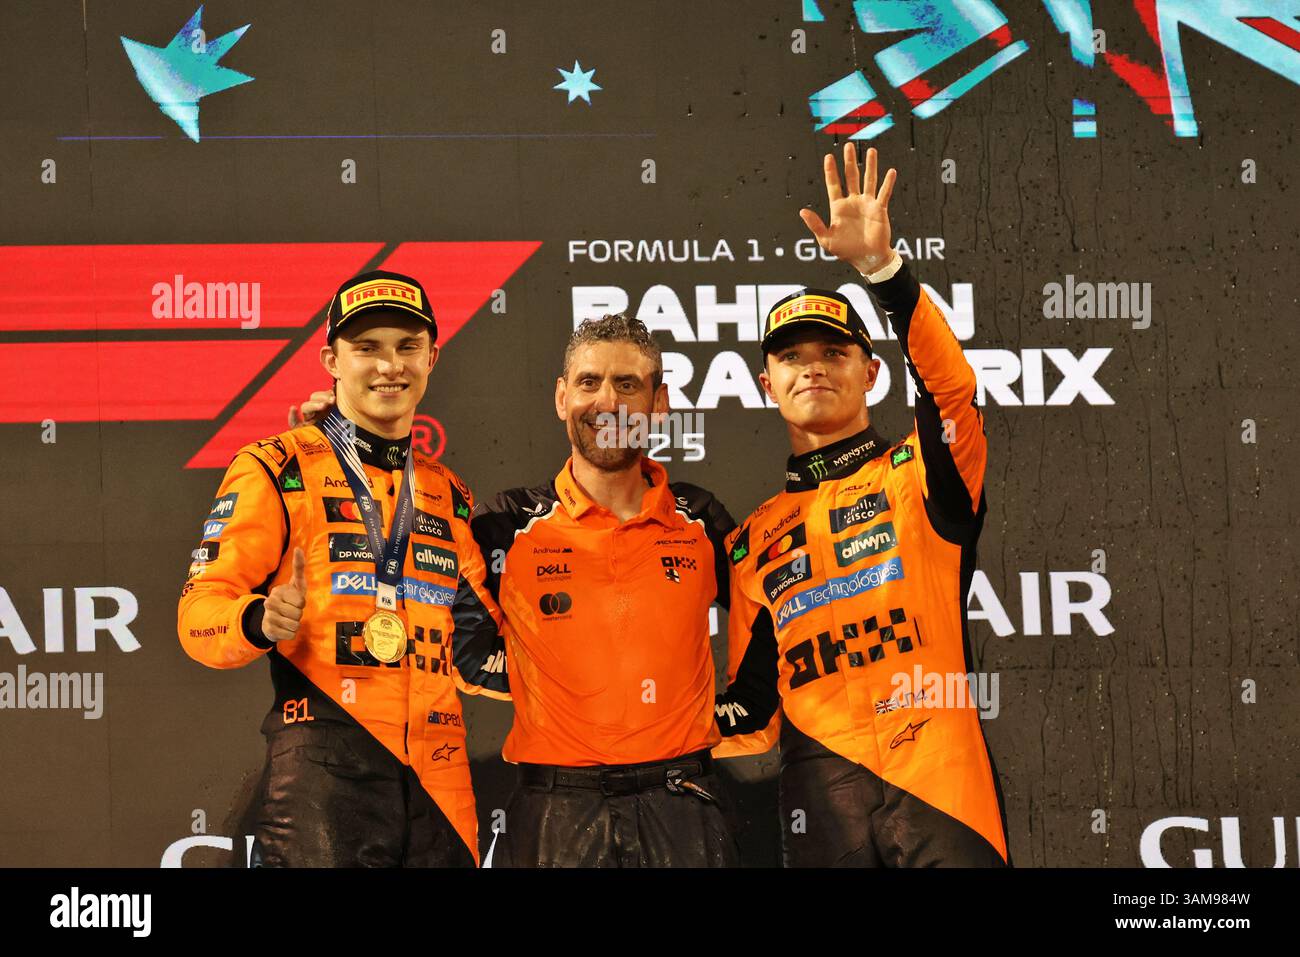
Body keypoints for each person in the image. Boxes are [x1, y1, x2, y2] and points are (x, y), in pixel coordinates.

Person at [294, 315, 753, 867]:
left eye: (627, 384)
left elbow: (781, 618)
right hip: (555, 811)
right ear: (562, 398)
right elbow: (409, 560)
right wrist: (349, 444)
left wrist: (722, 713)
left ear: (659, 402)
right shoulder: (507, 523)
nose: (606, 401)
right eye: (588, 382)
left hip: (684, 806)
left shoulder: (700, 517)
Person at [714, 144, 1009, 867]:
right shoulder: (751, 541)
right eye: (791, 356)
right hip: (821, 795)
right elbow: (747, 712)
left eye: (833, 350)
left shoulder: (922, 473)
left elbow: (951, 393)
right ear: (765, 384)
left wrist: (885, 274)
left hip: (940, 781)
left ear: (870, 371)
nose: (812, 365)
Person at [179, 270, 508, 867]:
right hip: (325, 767)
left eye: (407, 347)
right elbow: (199, 615)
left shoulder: (447, 492)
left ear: (433, 357)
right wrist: (259, 621)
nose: (390, 366)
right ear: (331, 359)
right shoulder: (277, 467)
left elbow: (477, 644)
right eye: (367, 348)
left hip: (442, 776)